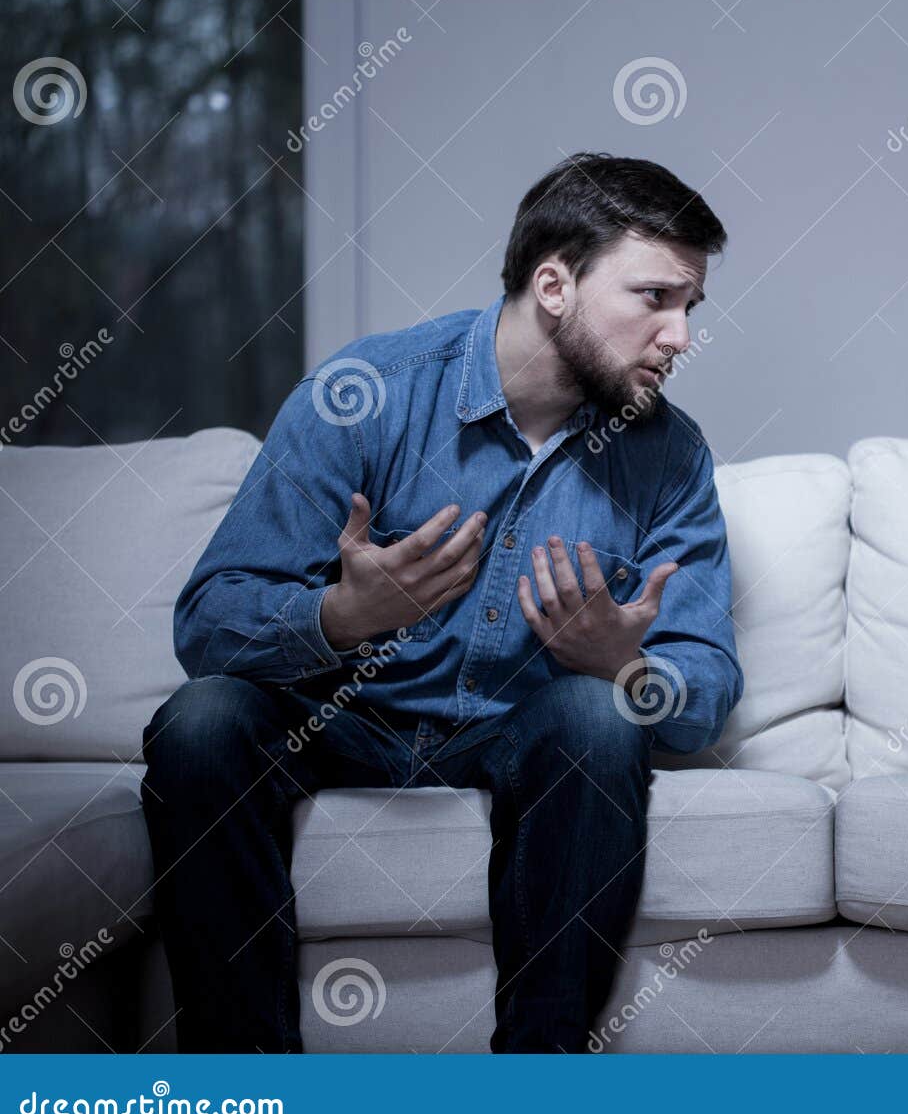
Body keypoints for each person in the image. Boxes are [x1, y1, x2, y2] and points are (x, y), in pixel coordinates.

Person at [140, 152, 742, 1053]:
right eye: (655, 298)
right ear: (554, 284)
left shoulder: (670, 454)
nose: (681, 335)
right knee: (200, 720)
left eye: (691, 307)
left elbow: (705, 689)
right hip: (341, 715)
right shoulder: (367, 395)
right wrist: (340, 619)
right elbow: (209, 620)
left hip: (515, 729)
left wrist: (626, 667)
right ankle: (245, 1090)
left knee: (596, 714)